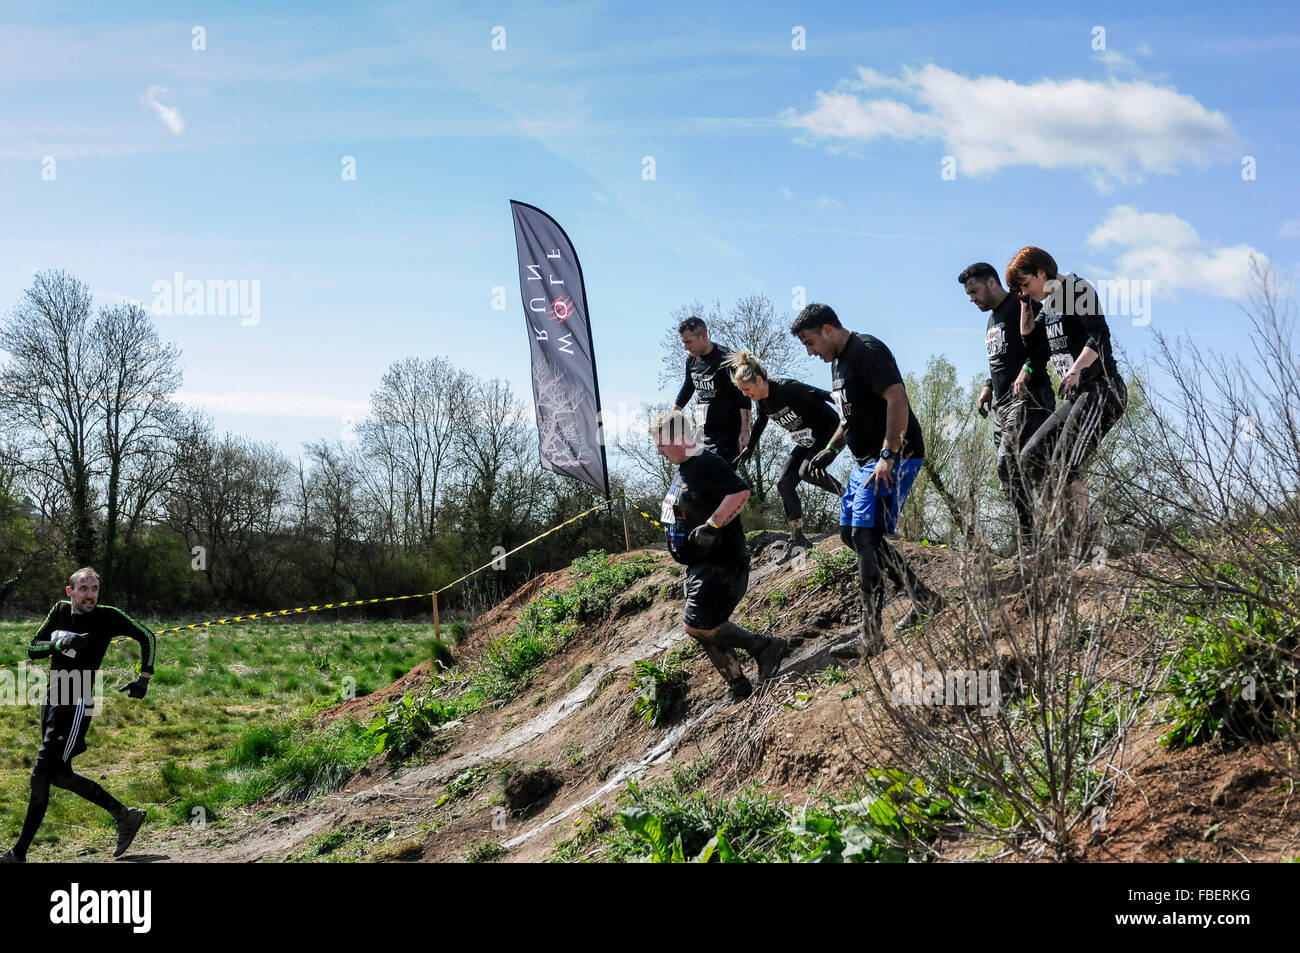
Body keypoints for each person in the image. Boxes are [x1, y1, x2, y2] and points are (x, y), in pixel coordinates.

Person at [790, 304, 945, 659]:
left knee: (865, 535)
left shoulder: (867, 351)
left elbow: (897, 399)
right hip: (865, 461)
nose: (809, 352)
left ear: (828, 329)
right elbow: (850, 414)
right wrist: (831, 449)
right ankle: (924, 598)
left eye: (810, 342)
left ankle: (871, 634)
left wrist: (888, 454)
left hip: (895, 457)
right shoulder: (838, 363)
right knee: (851, 534)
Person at [2, 568, 156, 863]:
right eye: (83, 588)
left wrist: (144, 677)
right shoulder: (60, 611)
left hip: (79, 697)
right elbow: (33, 648)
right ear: (70, 592)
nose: (90, 594)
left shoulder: (108, 616)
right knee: (59, 774)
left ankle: (17, 854)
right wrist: (59, 644)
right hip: (53, 695)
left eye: (95, 588)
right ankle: (124, 815)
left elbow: (146, 635)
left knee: (42, 772)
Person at [652, 409, 789, 701]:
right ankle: (738, 685)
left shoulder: (705, 462)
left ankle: (764, 647)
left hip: (723, 562)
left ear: (679, 437)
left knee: (698, 624)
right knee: (699, 628)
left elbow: (740, 492)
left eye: (662, 443)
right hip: (699, 566)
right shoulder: (684, 469)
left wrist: (712, 525)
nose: (659, 450)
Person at [1004, 247, 1127, 554]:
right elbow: (1032, 344)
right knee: (1031, 456)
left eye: (1025, 285)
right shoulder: (1048, 307)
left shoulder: (1078, 289)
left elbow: (1099, 336)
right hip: (1076, 398)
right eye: (1019, 291)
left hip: (1102, 390)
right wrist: (1027, 368)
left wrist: (1075, 370)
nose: (1024, 293)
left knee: (1065, 464)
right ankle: (1062, 531)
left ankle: (1080, 542)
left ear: (1041, 273)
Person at [958, 262, 1055, 553]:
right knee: (1015, 473)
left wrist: (1027, 369)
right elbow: (1002, 358)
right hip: (1001, 404)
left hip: (1028, 398)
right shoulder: (991, 320)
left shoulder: (1021, 305)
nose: (972, 299)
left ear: (991, 282)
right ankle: (1035, 541)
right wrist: (988, 386)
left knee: (1008, 464)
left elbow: (1044, 347)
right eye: (968, 295)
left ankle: (1033, 542)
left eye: (974, 291)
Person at [724, 350, 843, 551]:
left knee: (807, 471)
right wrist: (750, 447)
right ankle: (797, 536)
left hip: (829, 431)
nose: (745, 394)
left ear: (759, 380)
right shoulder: (762, 400)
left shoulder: (787, 388)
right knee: (784, 482)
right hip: (808, 440)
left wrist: (851, 414)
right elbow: (762, 419)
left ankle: (849, 496)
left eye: (746, 389)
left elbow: (824, 394)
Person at [672, 316, 751, 464]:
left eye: (689, 342)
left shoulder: (727, 359)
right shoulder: (691, 361)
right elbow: (688, 387)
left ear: (703, 336)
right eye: (683, 343)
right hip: (704, 432)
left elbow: (744, 397)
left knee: (716, 477)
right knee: (694, 472)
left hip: (727, 434)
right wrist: (672, 414)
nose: (686, 348)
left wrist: (745, 431)